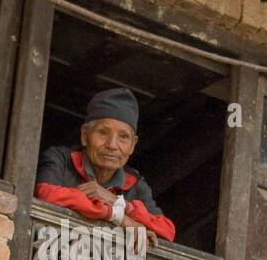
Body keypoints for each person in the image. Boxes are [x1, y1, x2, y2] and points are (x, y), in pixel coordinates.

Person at [34, 88, 176, 244]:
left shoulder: (135, 182)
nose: (112, 145)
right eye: (103, 132)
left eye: (123, 137)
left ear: (133, 145)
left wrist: (118, 202)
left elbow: (167, 231)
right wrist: (117, 215)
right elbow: (46, 194)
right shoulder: (60, 159)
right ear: (85, 136)